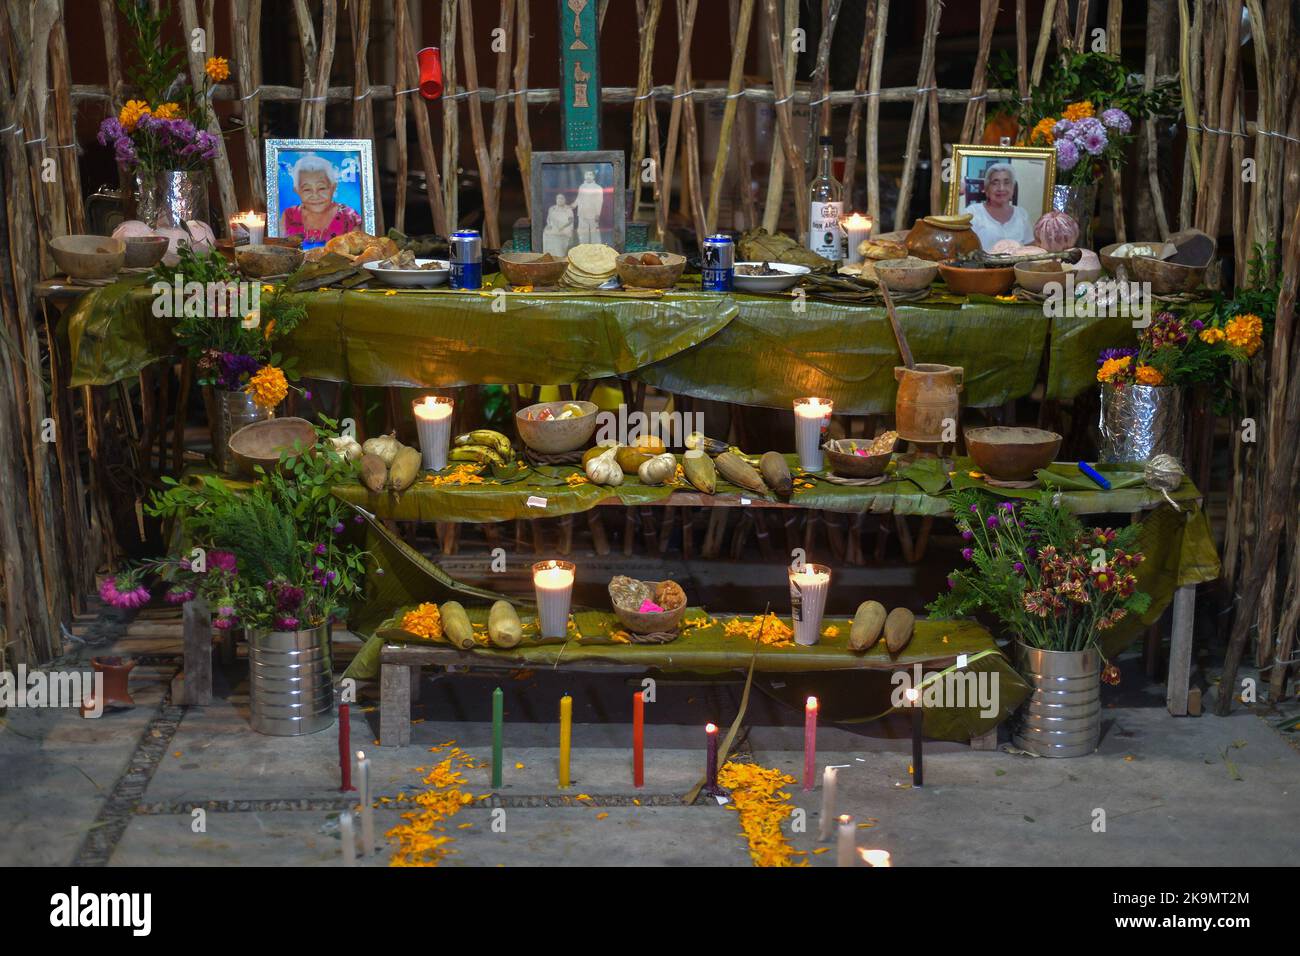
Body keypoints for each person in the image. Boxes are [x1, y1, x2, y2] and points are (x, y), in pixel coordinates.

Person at [279, 154, 363, 247]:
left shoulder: (349, 217)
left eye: (322, 188)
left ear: (333, 187)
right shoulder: (289, 216)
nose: (315, 195)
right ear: (297, 190)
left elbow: (358, 250)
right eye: (307, 189)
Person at [967, 162, 1034, 249]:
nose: (1001, 188)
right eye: (995, 183)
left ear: (1013, 189)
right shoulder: (973, 213)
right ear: (987, 189)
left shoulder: (1022, 214)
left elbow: (1031, 247)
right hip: (982, 262)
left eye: (1006, 183)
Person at [575, 170, 605, 244]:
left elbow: (599, 201)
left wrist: (597, 214)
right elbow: (579, 198)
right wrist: (572, 205)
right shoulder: (581, 187)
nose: (588, 176)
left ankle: (596, 249)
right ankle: (583, 247)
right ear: (584, 176)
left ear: (594, 177)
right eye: (586, 174)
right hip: (582, 213)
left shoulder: (598, 188)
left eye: (590, 174)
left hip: (593, 214)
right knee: (582, 233)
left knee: (594, 233)